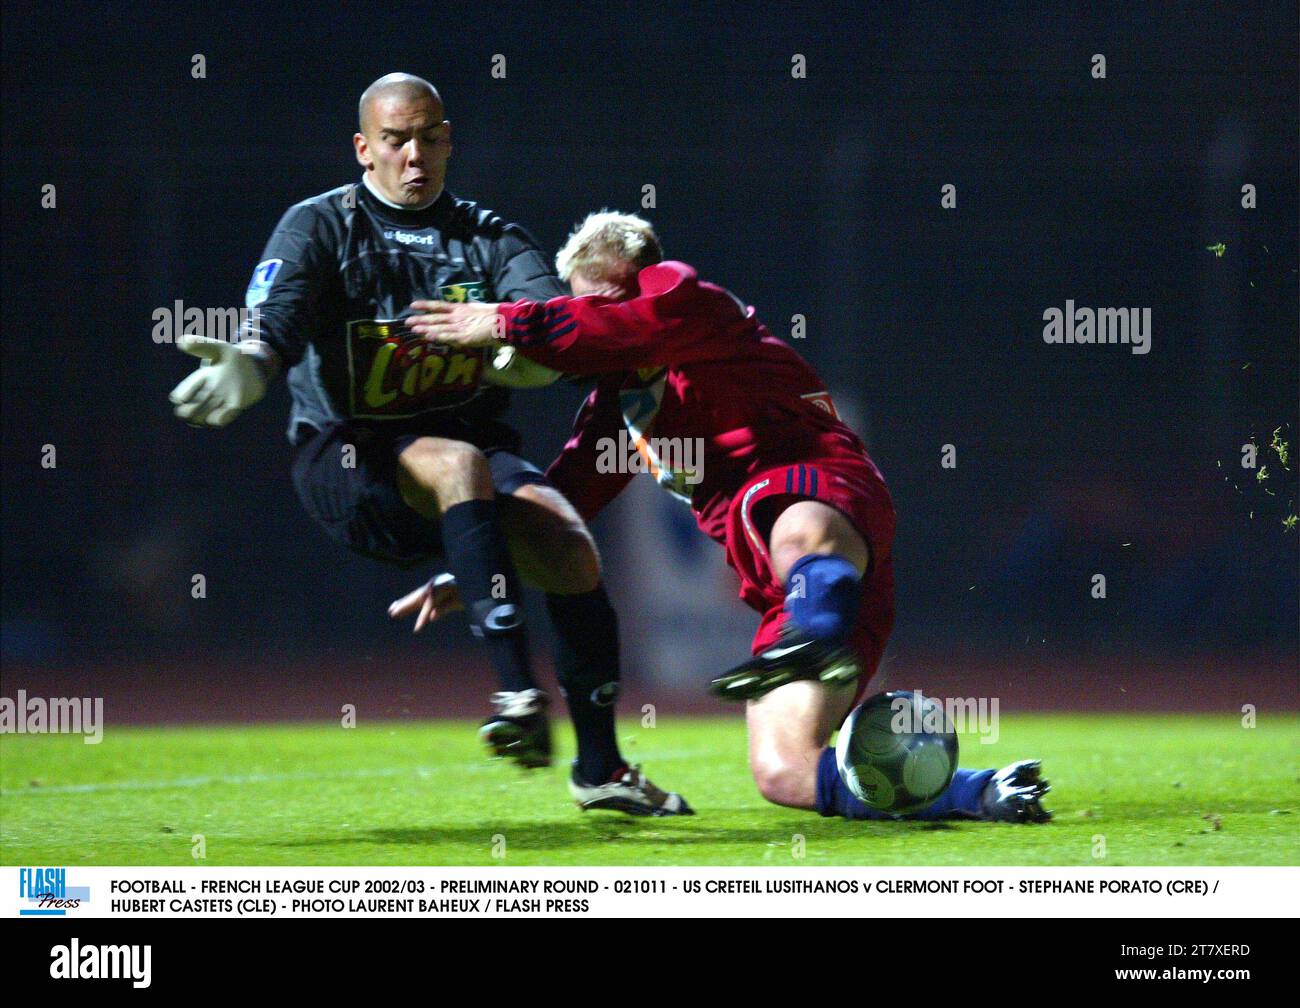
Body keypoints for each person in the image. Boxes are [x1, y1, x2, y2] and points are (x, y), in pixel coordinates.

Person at [400, 211, 1050, 823]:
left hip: (825, 489)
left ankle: (816, 629)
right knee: (783, 772)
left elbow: (615, 327)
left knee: (786, 522)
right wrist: (481, 564)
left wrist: (504, 321)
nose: (579, 322)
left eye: (587, 303)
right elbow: (564, 499)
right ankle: (983, 791)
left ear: (630, 285)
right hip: (797, 591)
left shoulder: (687, 300)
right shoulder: (621, 405)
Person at [167, 79, 689, 816]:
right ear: (364, 148)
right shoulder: (318, 226)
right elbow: (275, 319)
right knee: (457, 462)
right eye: (395, 140)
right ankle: (517, 694)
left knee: (569, 545)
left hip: (471, 458)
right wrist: (250, 366)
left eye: (428, 138)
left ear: (448, 142)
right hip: (351, 460)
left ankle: (601, 769)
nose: (414, 156)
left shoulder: (492, 238)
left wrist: (520, 346)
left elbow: (552, 321)